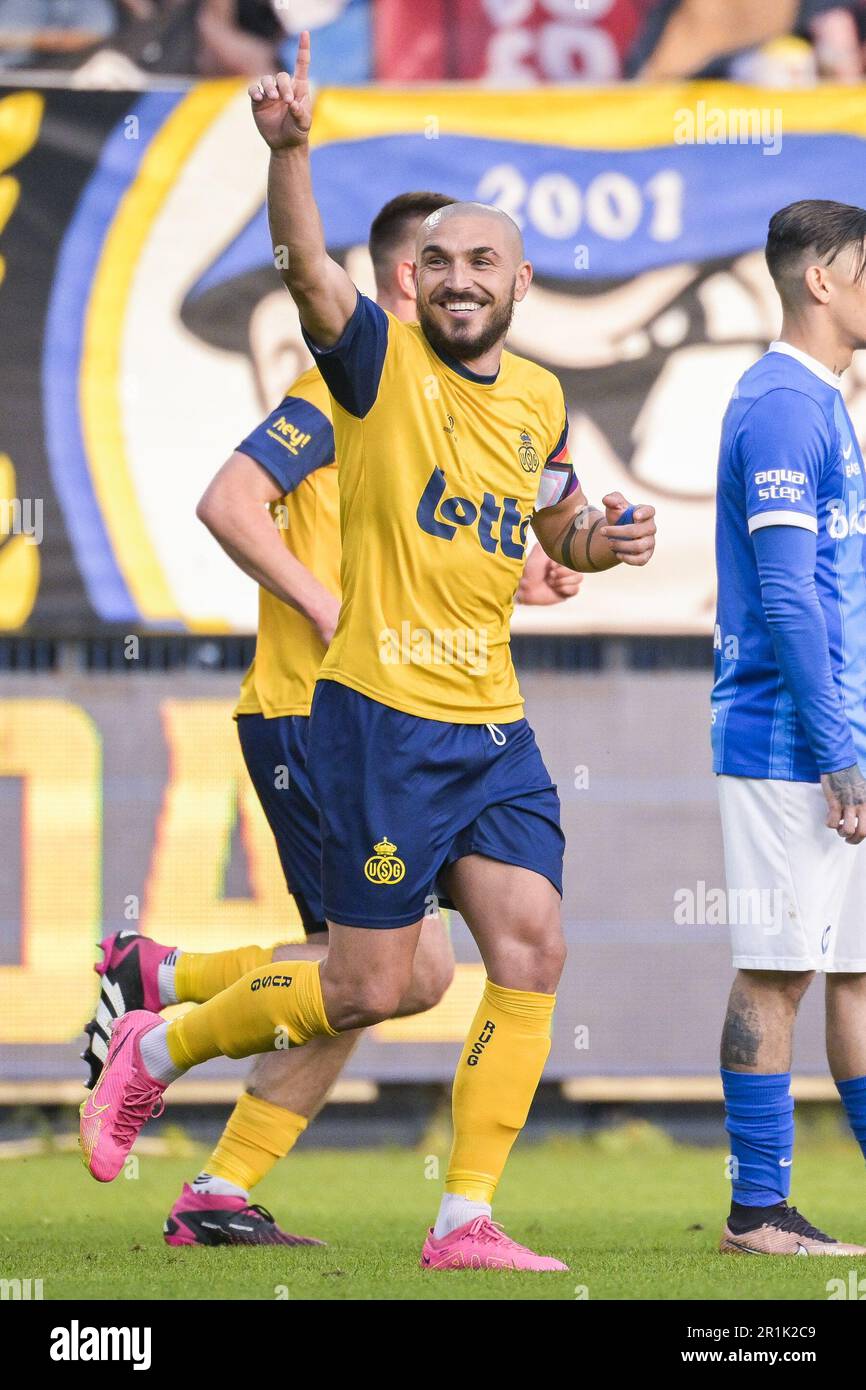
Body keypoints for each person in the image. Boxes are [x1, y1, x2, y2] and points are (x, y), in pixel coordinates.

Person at [80, 34, 656, 1273]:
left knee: (526, 949)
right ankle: (165, 1039)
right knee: (371, 983)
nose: (455, 279)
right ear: (410, 277)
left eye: (479, 262)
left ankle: (463, 1220)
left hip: (491, 723)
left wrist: (598, 542)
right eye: (436, 261)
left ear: (519, 280)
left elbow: (552, 517)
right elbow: (304, 279)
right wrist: (290, 156)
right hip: (373, 721)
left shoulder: (541, 398)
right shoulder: (373, 368)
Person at [713, 199, 866, 1256]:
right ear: (822, 277)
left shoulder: (823, 402)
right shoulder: (778, 405)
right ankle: (755, 1210)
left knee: (855, 970)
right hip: (786, 744)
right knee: (775, 968)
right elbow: (784, 596)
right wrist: (836, 747)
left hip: (833, 737)